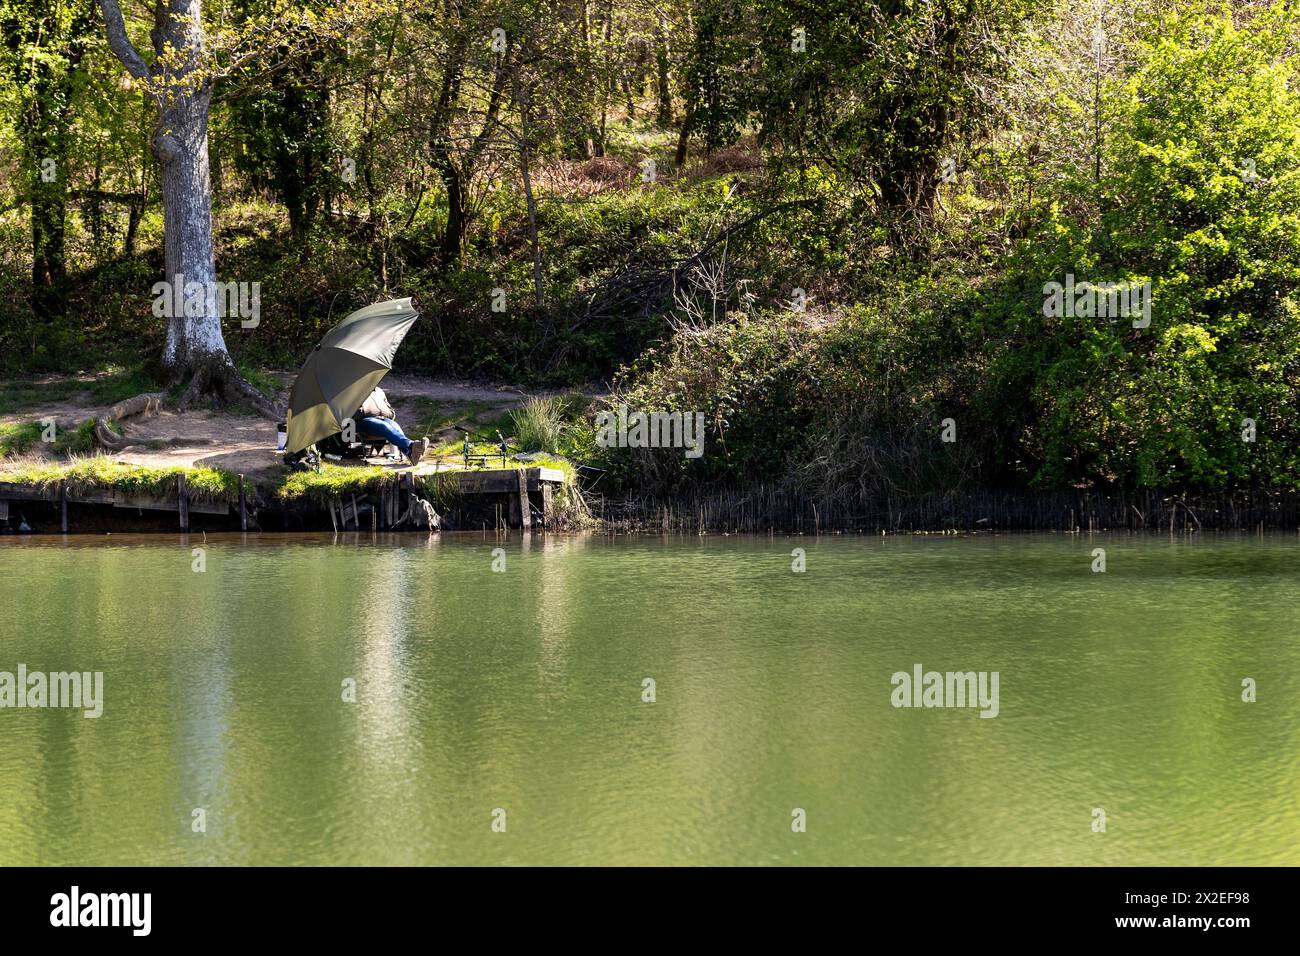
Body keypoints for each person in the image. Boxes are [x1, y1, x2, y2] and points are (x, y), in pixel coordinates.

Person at [354, 386, 429, 465]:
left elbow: (389, 408)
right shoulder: (355, 390)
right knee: (384, 426)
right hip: (364, 421)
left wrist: (390, 412)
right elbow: (349, 411)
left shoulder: (379, 391)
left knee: (396, 427)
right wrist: (361, 411)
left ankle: (410, 453)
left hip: (383, 418)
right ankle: (411, 445)